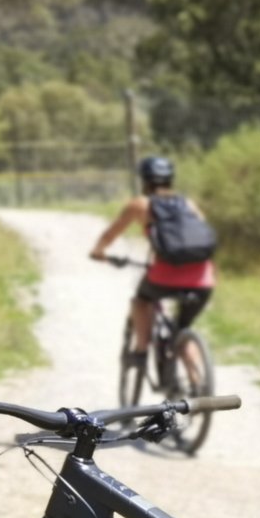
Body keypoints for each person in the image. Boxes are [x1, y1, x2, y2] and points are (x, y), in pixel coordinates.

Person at [91, 155, 216, 386]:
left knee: (141, 300)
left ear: (144, 180)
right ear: (170, 180)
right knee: (182, 329)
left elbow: (111, 234)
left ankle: (139, 352)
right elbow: (202, 236)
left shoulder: (140, 204)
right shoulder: (188, 204)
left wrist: (98, 251)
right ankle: (198, 384)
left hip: (164, 276)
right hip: (203, 279)